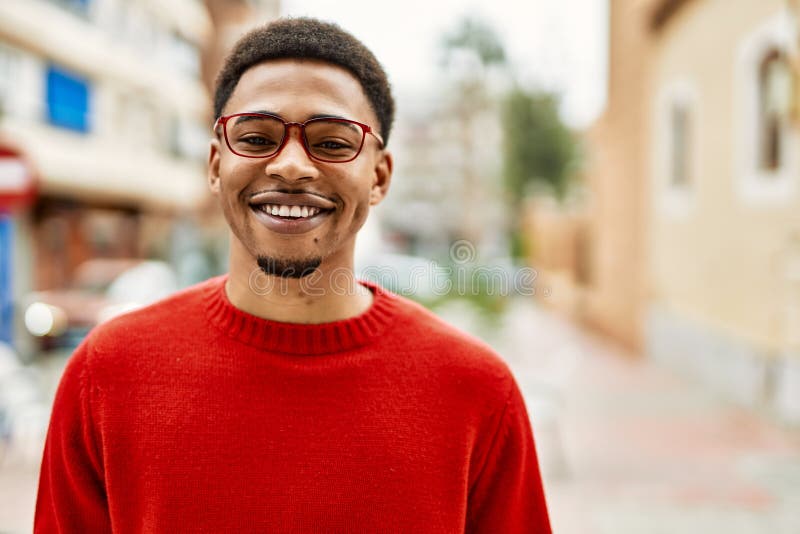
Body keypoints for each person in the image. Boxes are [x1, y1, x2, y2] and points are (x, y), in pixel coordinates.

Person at [35, 17, 552, 533]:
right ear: (215, 165)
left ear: (379, 176)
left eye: (331, 143)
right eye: (257, 137)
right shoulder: (106, 375)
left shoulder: (476, 391)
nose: (290, 166)